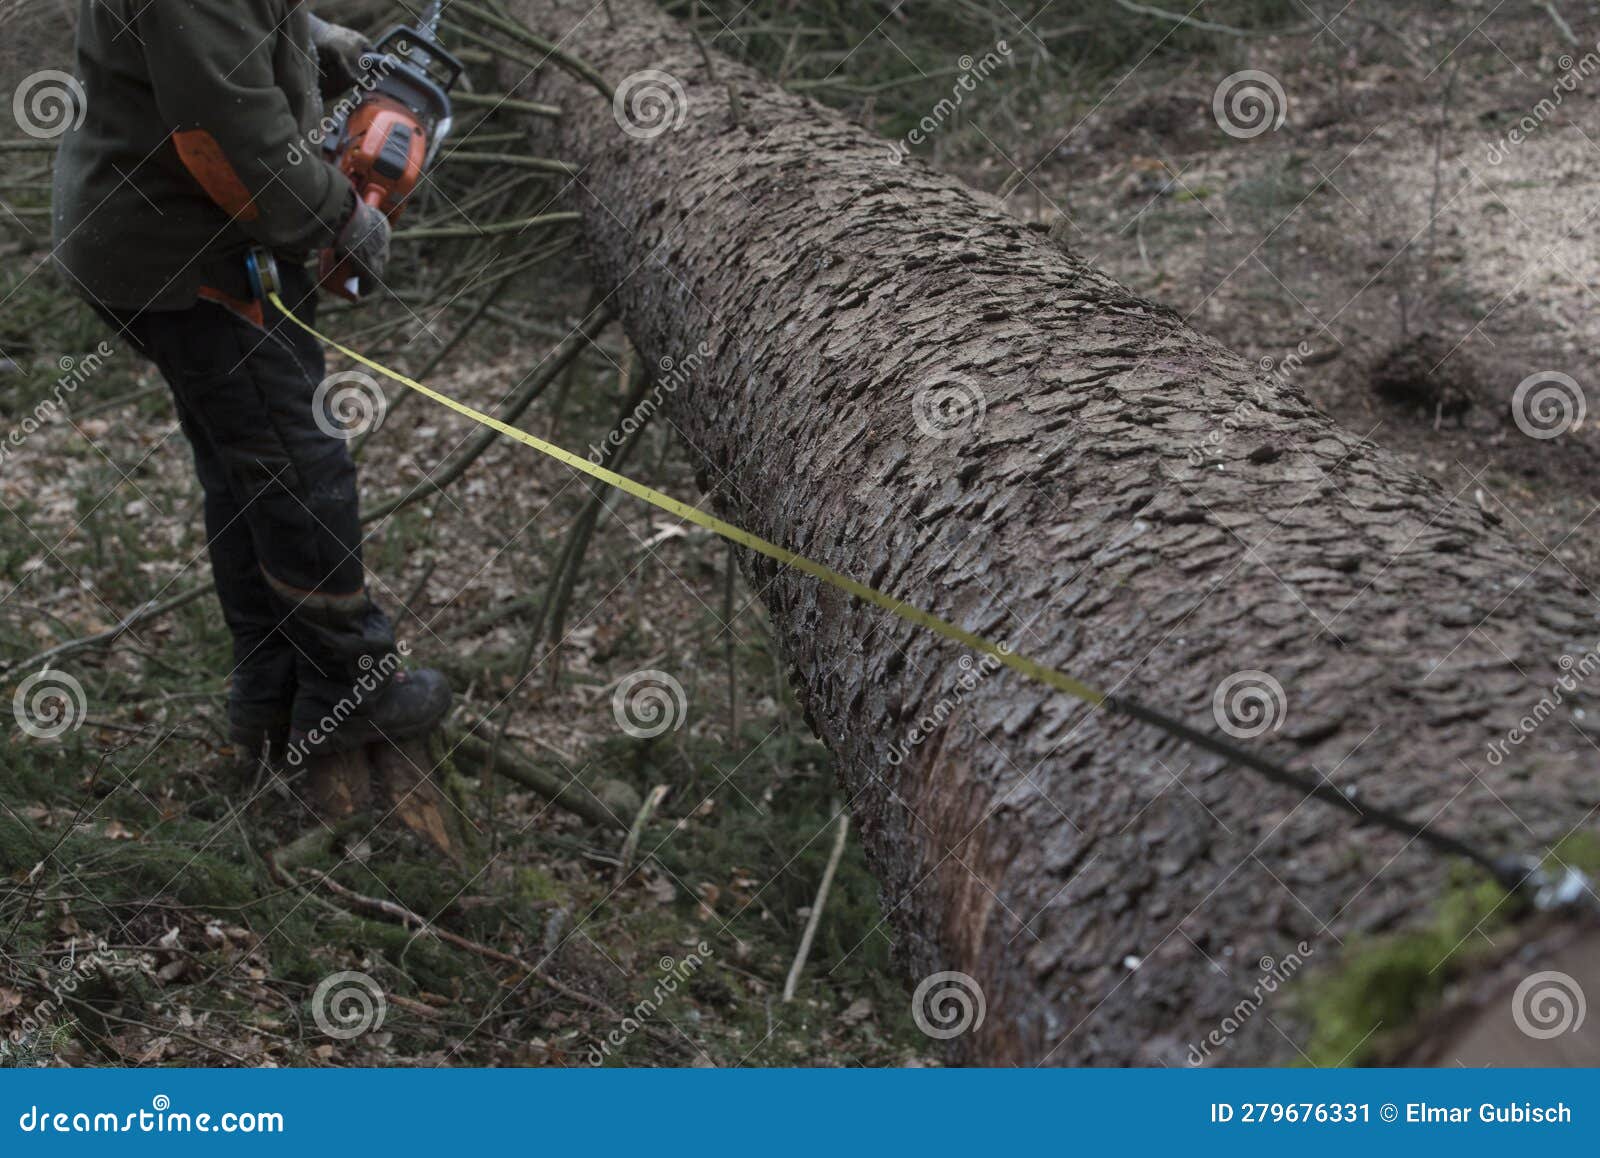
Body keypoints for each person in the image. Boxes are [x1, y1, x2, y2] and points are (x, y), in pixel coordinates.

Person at [51, 1, 450, 767]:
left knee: (249, 469)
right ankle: (346, 684)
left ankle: (269, 699)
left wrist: (314, 40)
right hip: (182, 247)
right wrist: (339, 218)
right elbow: (231, 140)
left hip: (165, 230)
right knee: (299, 465)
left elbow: (227, 38)